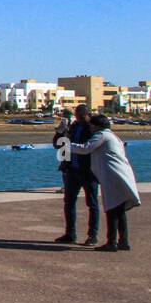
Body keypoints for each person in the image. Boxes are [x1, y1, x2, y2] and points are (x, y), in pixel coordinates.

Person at [68, 114, 140, 252]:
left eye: (91, 126)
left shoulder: (101, 135)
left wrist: (67, 145)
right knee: (119, 210)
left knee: (112, 209)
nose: (90, 128)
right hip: (120, 174)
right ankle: (123, 241)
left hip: (112, 175)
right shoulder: (113, 136)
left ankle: (111, 242)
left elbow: (85, 148)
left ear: (96, 126)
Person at [53, 105, 101, 245]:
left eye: (81, 115)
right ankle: (70, 233)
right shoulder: (73, 127)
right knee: (69, 202)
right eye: (77, 115)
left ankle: (92, 235)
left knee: (92, 203)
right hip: (72, 169)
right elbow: (58, 145)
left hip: (88, 171)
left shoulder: (93, 129)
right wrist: (60, 132)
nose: (79, 118)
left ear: (88, 114)